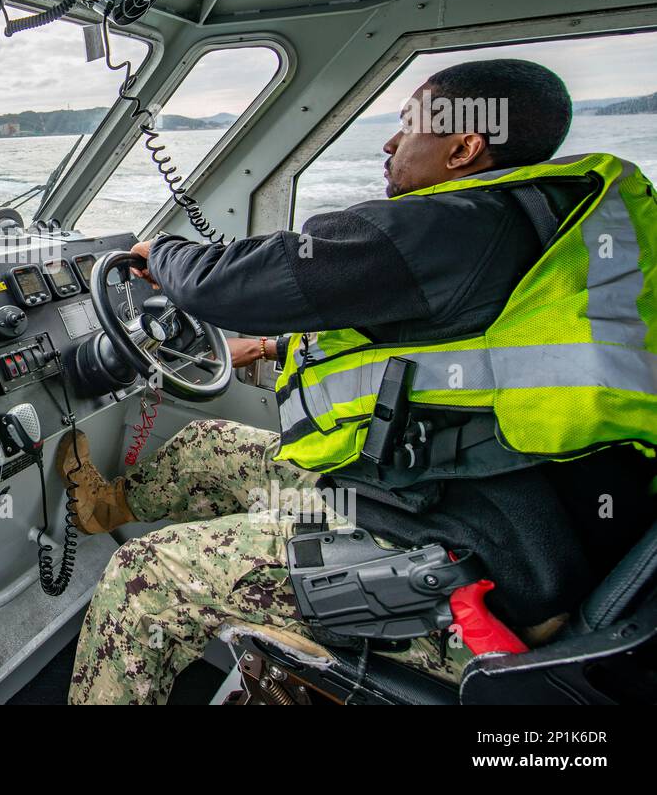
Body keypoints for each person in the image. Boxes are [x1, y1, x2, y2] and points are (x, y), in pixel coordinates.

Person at [67, 58, 657, 704]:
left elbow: (226, 286)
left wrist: (165, 255)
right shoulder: (546, 219)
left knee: (146, 574)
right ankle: (107, 508)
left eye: (408, 126)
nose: (390, 142)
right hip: (530, 520)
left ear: (463, 147)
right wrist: (268, 344)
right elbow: (452, 334)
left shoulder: (453, 224)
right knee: (209, 441)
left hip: (472, 569)